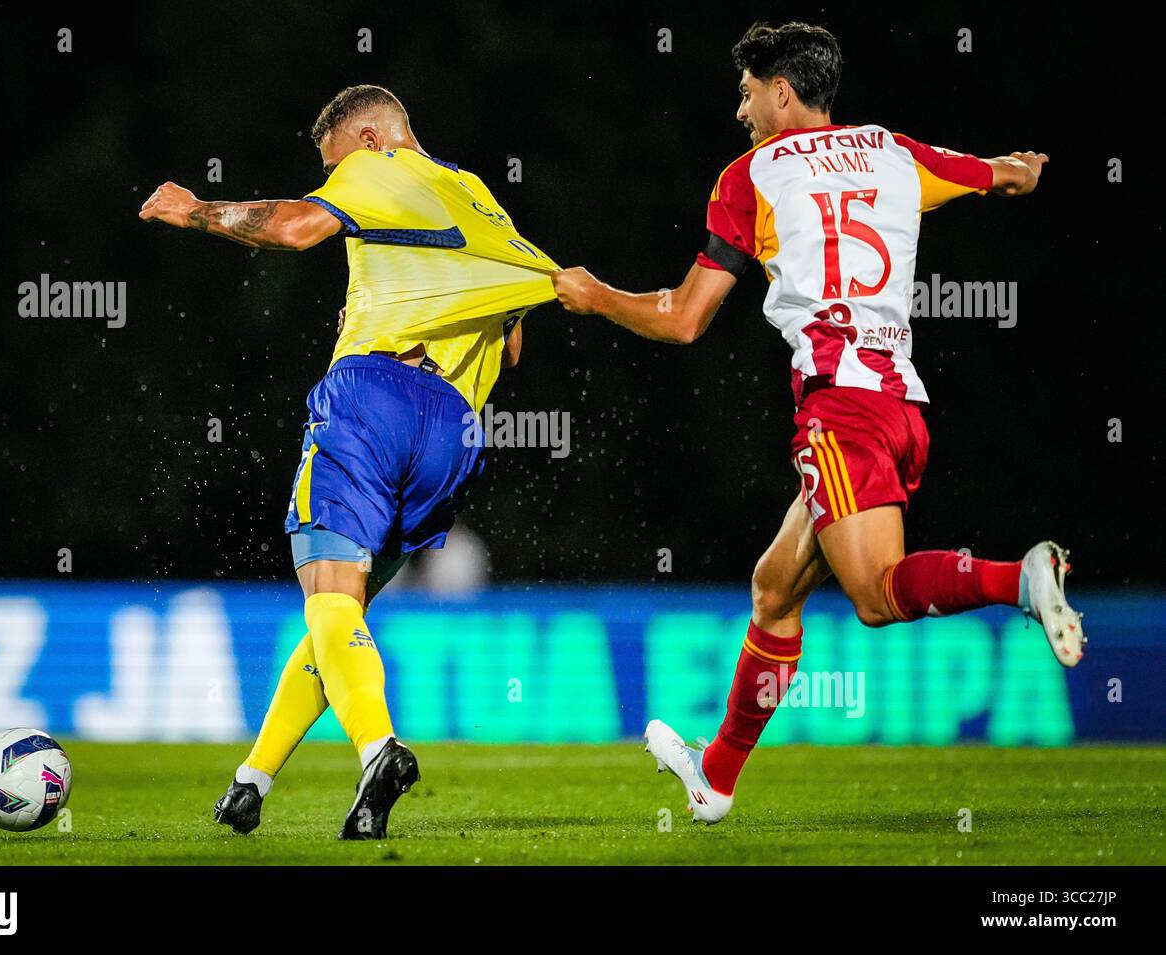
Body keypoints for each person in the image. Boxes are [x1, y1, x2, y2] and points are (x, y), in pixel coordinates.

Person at [551, 21, 1084, 824]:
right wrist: (1026, 168)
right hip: (899, 401)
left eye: (745, 93)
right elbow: (1003, 177)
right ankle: (717, 778)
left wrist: (598, 298)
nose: (740, 112)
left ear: (782, 91)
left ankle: (1022, 579)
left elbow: (685, 318)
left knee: (874, 594)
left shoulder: (750, 176)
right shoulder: (892, 150)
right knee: (774, 591)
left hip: (840, 409)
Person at [141, 84, 557, 838]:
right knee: (342, 611)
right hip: (455, 432)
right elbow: (513, 342)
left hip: (375, 397)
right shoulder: (476, 199)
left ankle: (379, 749)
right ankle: (251, 780)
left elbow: (299, 228)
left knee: (327, 592)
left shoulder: (377, 167)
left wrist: (195, 210)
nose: (337, 181)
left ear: (369, 138)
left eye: (335, 165)